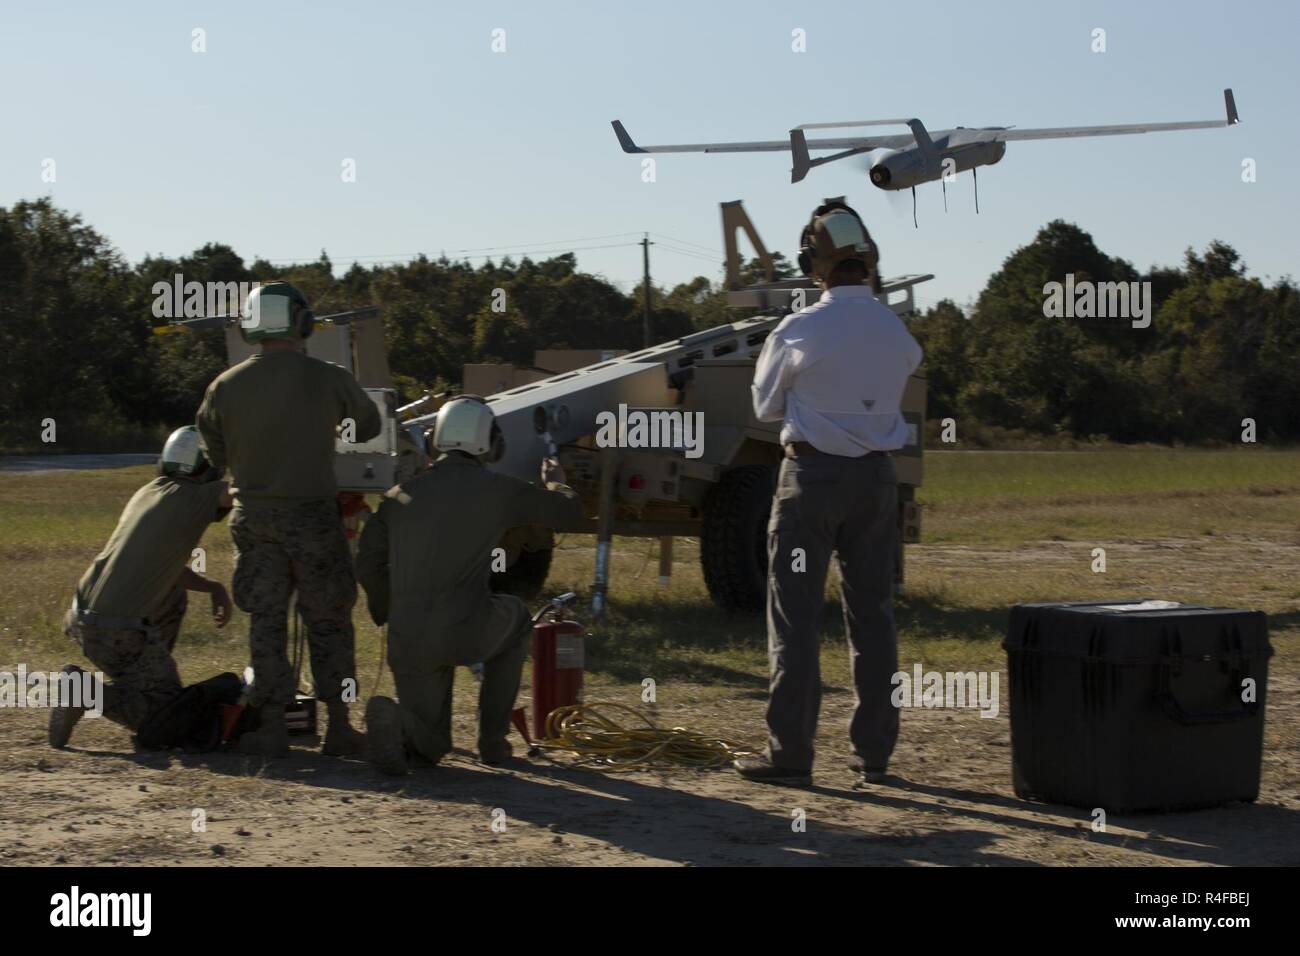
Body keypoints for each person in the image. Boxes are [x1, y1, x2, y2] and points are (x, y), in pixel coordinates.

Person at [734, 200, 923, 787]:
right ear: (869, 259)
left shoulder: (799, 329)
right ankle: (875, 756)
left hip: (811, 482)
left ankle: (790, 754)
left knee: (794, 619)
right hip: (876, 483)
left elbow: (764, 407)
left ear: (812, 262)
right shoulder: (896, 332)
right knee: (874, 618)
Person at [195, 281, 381, 757]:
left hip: (254, 519)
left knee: (266, 622)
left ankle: (273, 726)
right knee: (330, 621)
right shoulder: (329, 377)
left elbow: (213, 453)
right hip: (314, 517)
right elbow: (369, 425)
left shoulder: (224, 386)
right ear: (301, 323)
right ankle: (339, 725)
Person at [356, 396, 584, 775]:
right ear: (490, 444)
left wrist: (387, 610)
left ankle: (402, 726)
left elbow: (367, 562)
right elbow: (569, 514)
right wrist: (557, 485)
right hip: (465, 629)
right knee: (516, 620)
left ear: (435, 441)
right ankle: (493, 743)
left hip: (406, 636)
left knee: (431, 746)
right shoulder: (498, 490)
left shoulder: (398, 497)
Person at [50, 426, 234, 747]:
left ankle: (144, 677)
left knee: (174, 595)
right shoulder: (197, 496)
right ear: (209, 468)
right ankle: (85, 692)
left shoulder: (149, 492)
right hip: (115, 632)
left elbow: (167, 570)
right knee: (168, 715)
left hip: (84, 620)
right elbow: (247, 494)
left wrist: (212, 587)